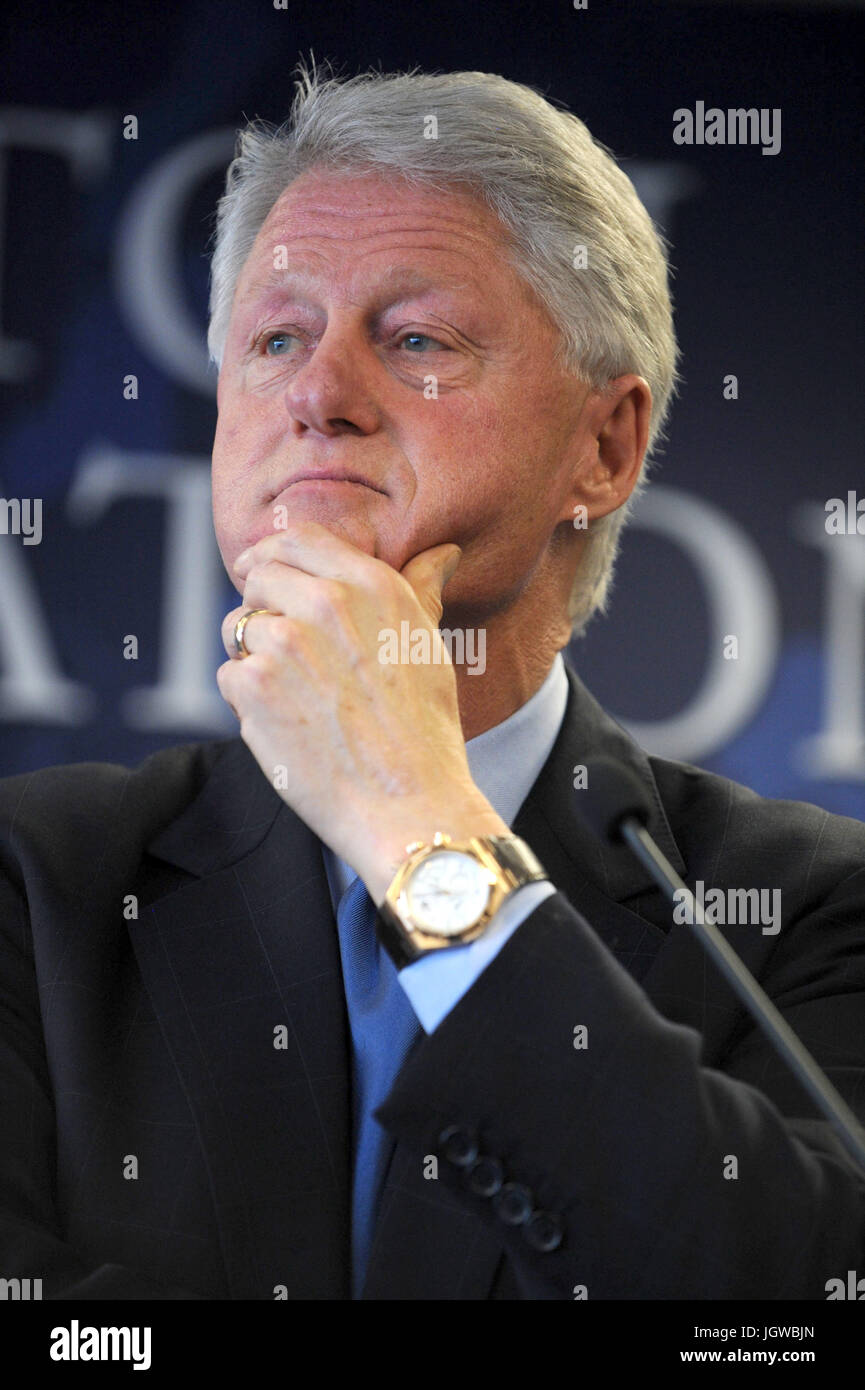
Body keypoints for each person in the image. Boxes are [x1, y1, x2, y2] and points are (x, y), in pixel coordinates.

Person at [1, 64, 863, 1302]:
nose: (317, 395)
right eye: (277, 337)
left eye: (415, 341)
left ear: (604, 445)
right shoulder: (35, 886)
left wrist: (414, 822)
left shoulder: (805, 913)